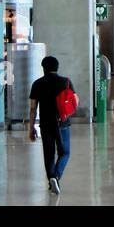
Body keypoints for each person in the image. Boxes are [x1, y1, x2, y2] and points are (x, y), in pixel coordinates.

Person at [29, 55, 77, 195]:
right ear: (57, 67)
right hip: (63, 124)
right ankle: (56, 176)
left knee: (48, 154)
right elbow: (73, 101)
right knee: (65, 152)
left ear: (43, 68)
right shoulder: (66, 82)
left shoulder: (37, 84)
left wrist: (31, 128)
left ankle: (51, 178)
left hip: (46, 124)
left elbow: (33, 108)